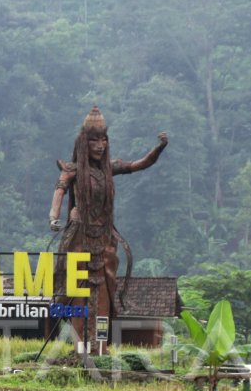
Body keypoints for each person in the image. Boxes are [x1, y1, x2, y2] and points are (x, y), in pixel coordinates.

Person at [48, 106, 167, 352]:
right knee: (76, 288)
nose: (100, 145)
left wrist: (159, 148)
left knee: (105, 288)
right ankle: (78, 346)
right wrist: (53, 217)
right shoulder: (72, 170)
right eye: (94, 140)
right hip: (79, 235)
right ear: (84, 142)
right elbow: (59, 191)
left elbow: (139, 164)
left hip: (103, 237)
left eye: (104, 140)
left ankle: (100, 346)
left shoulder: (109, 168)